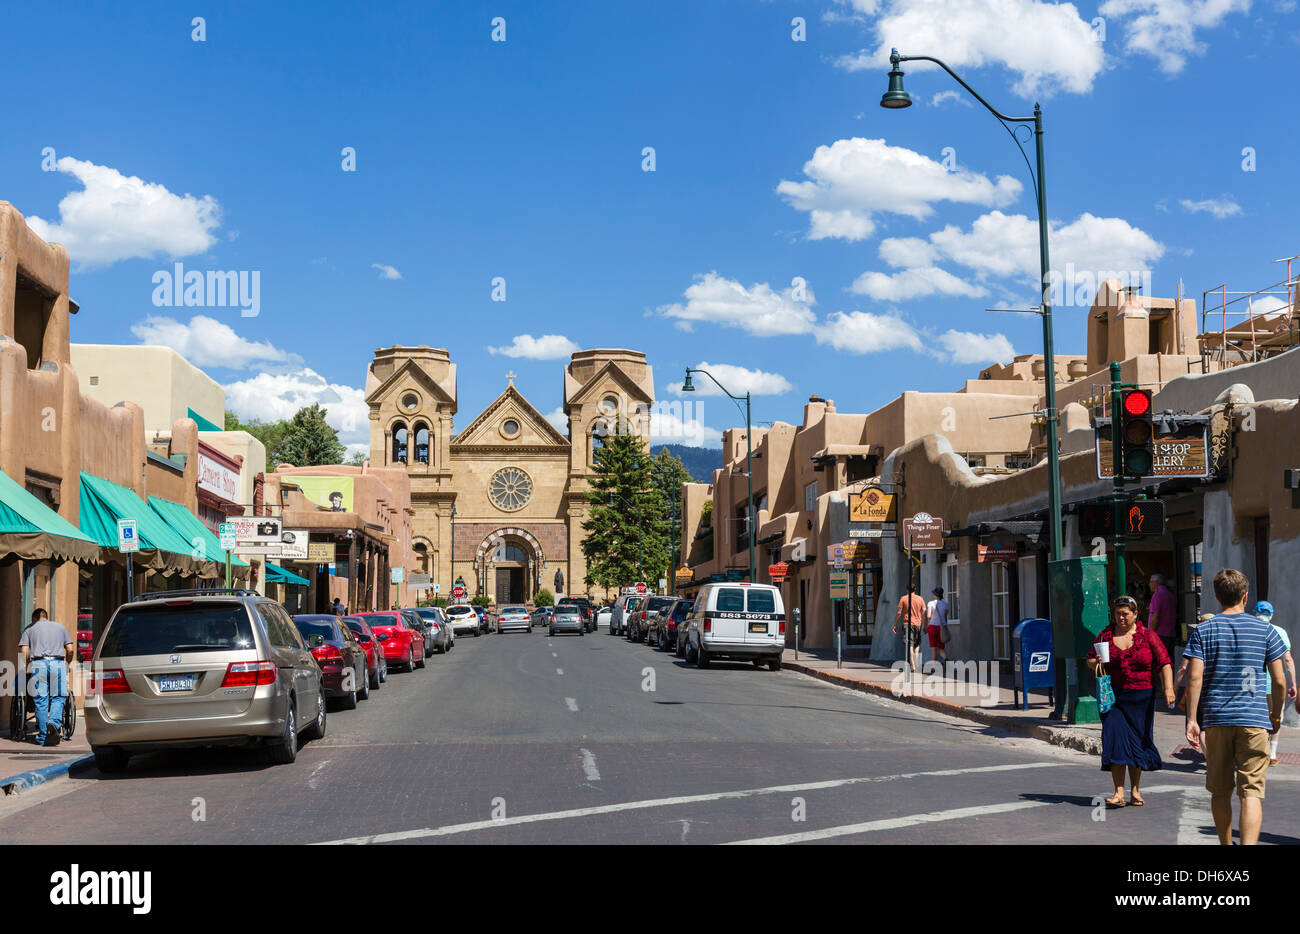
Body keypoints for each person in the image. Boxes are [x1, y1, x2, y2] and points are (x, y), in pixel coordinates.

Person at [1184, 569, 1287, 846]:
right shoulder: (1267, 630)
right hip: (1254, 719)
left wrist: (1191, 719)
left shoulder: (1203, 630)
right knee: (1251, 792)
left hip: (1216, 718)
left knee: (1220, 790)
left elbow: (1195, 677)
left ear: (1217, 597)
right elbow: (1278, 681)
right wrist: (1275, 715)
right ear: (1245, 595)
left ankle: (1225, 843)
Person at [1086, 594, 1174, 807]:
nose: (1121, 618)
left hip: (1142, 698)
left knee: (1137, 742)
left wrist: (1169, 688)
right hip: (1114, 697)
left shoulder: (1148, 636)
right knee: (1115, 739)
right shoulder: (1105, 635)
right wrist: (1095, 664)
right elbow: (1089, 659)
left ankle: (1135, 790)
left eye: (1125, 614)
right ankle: (1118, 793)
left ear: (1135, 614)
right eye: (1118, 614)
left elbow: (1164, 663)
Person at [17, 608, 75, 747]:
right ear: (46, 617)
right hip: (58, 662)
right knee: (58, 696)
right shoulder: (60, 627)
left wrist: (26, 667)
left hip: (38, 663)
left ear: (34, 618)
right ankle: (54, 723)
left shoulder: (29, 629)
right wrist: (66, 664)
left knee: (41, 700)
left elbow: (24, 651)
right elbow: (70, 649)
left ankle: (43, 737)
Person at [1252, 601, 1295, 766]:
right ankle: (1272, 753)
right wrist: (1292, 683)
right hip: (1276, 684)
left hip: (1253, 684)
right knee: (1276, 718)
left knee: (1256, 720)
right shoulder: (1280, 632)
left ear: (1255, 613)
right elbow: (1288, 660)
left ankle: (1258, 751)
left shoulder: (1250, 630)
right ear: (1271, 615)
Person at [892, 588, 927, 672]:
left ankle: (913, 666)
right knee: (917, 644)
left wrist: (895, 624)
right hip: (918, 624)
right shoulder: (920, 599)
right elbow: (924, 612)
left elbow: (899, 612)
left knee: (910, 645)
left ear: (907, 590)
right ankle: (916, 664)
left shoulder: (903, 598)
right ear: (915, 589)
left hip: (907, 624)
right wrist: (926, 625)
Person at [1147, 573, 1177, 663]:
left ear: (1155, 582)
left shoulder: (1157, 594)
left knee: (1159, 662)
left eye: (1150, 582)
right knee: (1168, 661)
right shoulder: (1170, 594)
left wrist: (1151, 633)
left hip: (1159, 635)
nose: (1149, 584)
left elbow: (1155, 616)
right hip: (1171, 633)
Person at [926, 587, 949, 662]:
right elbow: (945, 618)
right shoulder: (945, 604)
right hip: (942, 628)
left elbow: (928, 616)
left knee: (933, 648)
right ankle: (946, 659)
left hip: (932, 627)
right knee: (941, 648)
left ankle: (934, 667)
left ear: (935, 594)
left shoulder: (931, 603)